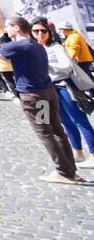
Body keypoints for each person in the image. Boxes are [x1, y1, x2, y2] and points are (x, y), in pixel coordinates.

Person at [0, 17, 82, 185]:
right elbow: (2, 54)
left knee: (45, 132)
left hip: (36, 96)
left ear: (16, 28)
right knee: (57, 131)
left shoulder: (19, 45)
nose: (5, 30)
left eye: (8, 27)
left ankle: (65, 172)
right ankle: (70, 170)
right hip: (47, 92)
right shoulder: (34, 45)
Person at [35, 20, 94, 165]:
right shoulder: (35, 49)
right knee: (66, 123)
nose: (40, 34)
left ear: (50, 32)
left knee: (80, 121)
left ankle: (93, 156)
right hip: (48, 89)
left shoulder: (55, 47)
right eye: (36, 31)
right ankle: (78, 153)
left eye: (43, 30)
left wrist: (48, 65)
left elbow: (67, 66)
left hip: (63, 87)